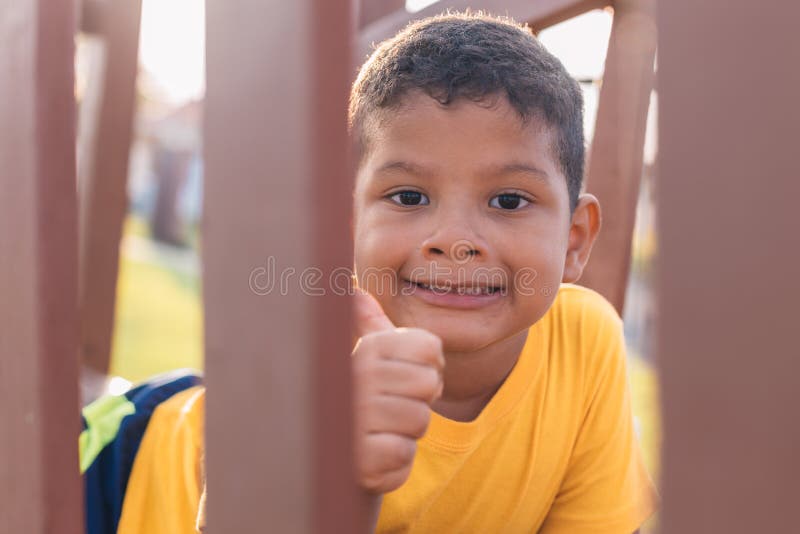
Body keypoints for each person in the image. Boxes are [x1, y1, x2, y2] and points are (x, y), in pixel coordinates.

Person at [98, 11, 658, 534]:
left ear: (574, 240)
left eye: (509, 201)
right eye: (410, 196)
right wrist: (321, 455)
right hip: (126, 476)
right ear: (346, 226)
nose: (455, 242)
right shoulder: (306, 349)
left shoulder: (586, 345)